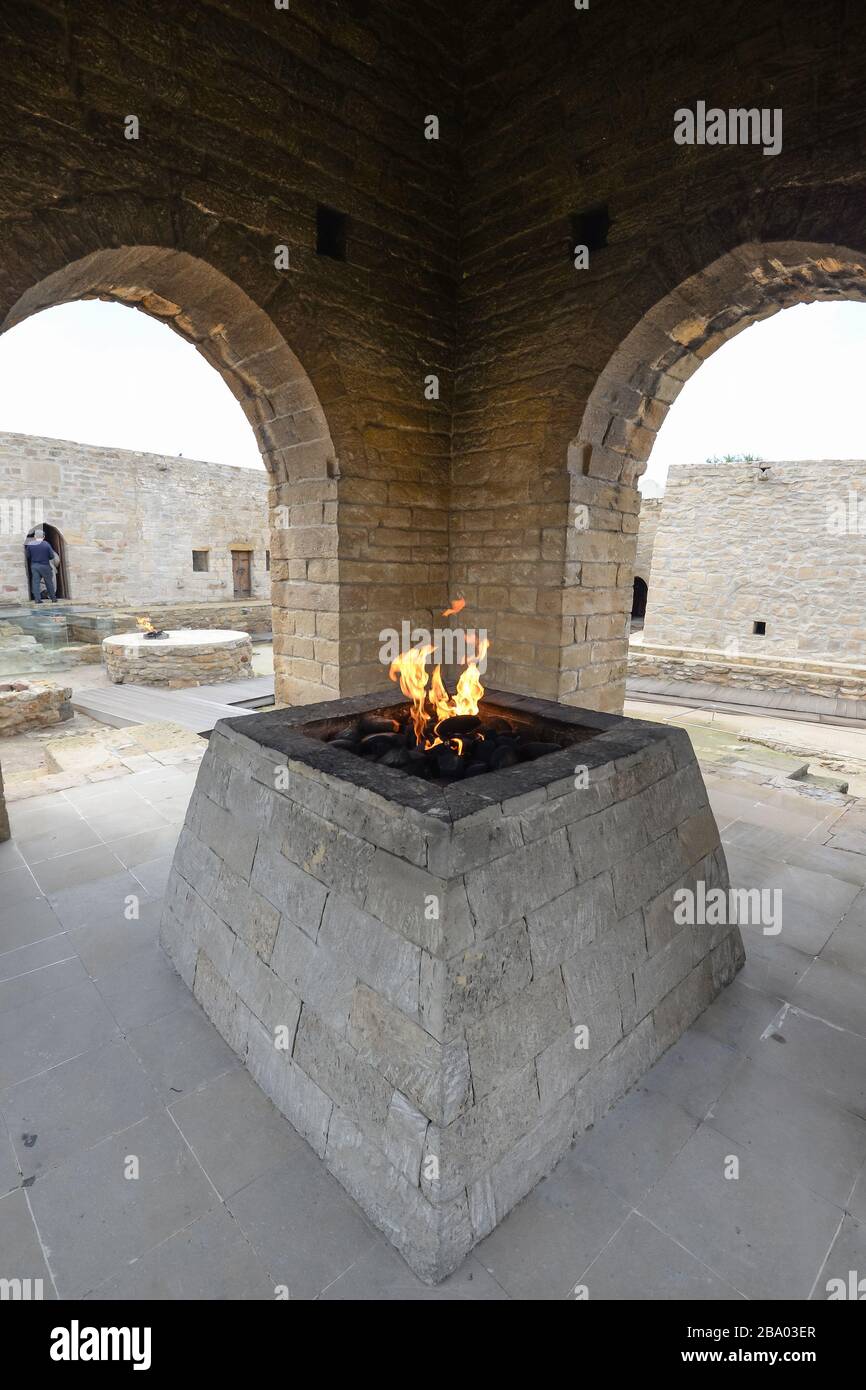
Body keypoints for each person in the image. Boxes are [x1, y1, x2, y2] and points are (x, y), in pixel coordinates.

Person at [24, 529, 59, 603]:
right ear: (43, 537)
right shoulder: (46, 544)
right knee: (49, 582)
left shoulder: (30, 544)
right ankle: (53, 598)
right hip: (45, 565)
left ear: (35, 536)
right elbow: (52, 556)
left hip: (35, 566)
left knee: (35, 582)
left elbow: (28, 555)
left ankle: (37, 599)